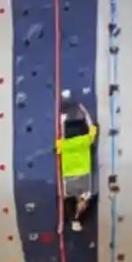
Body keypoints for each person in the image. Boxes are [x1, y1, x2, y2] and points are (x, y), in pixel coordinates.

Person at [55, 91, 98, 233]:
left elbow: (58, 137)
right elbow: (93, 128)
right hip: (83, 174)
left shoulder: (63, 144)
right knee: (84, 199)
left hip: (69, 175)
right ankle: (77, 219)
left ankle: (71, 220)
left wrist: (61, 119)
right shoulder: (85, 140)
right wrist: (86, 112)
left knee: (69, 198)